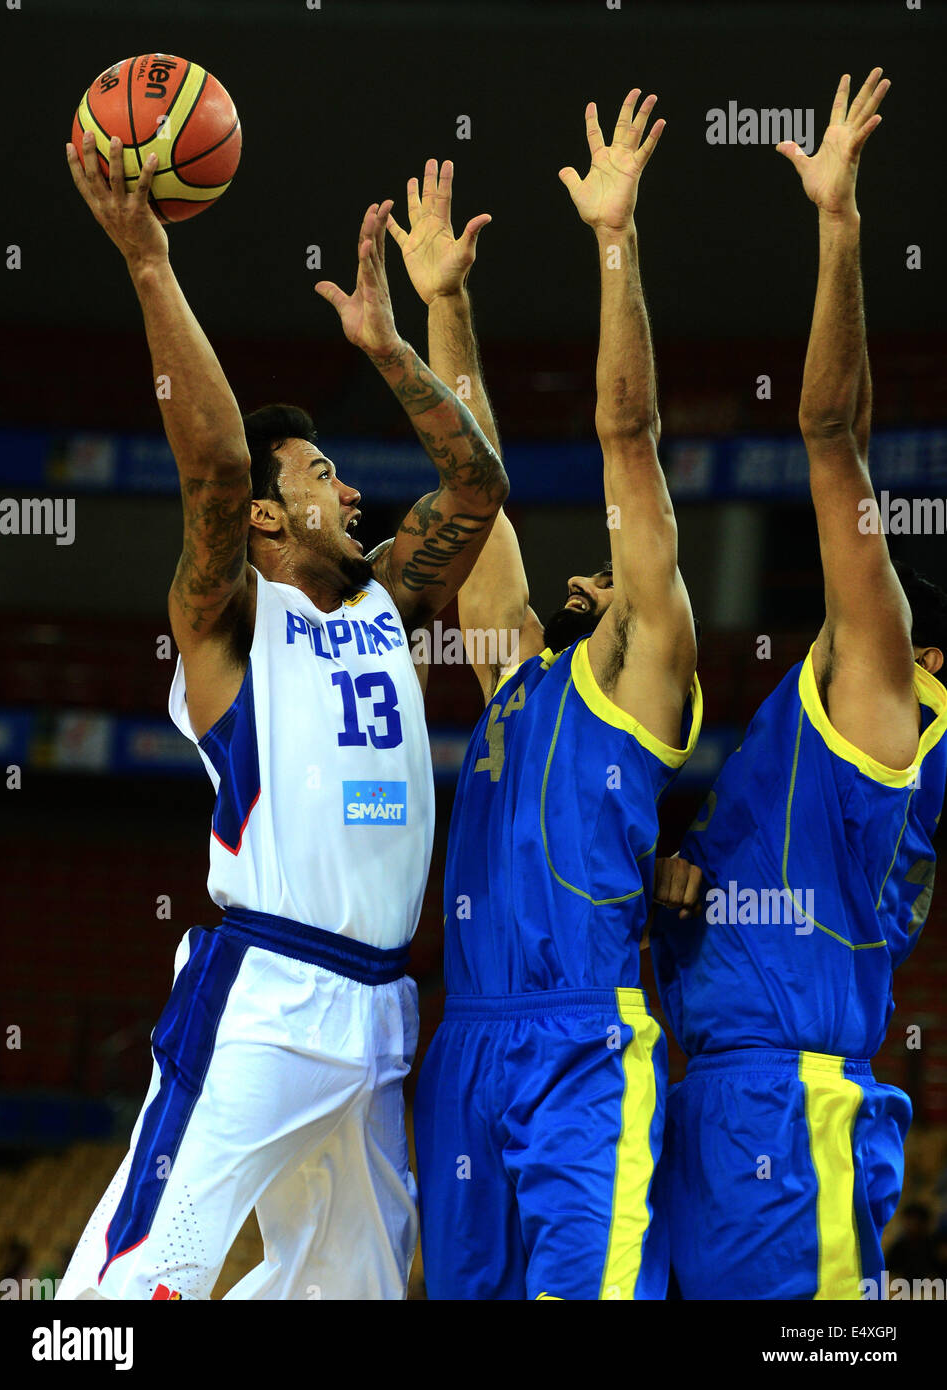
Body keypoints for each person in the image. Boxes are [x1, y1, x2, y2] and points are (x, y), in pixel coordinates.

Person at [55, 131, 508, 1301]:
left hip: (379, 1006)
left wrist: (395, 347)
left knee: (350, 1294)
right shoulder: (229, 614)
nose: (348, 487)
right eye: (316, 475)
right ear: (264, 517)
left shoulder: (387, 600)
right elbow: (208, 467)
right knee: (136, 1283)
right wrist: (152, 265)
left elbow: (477, 485)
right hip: (267, 994)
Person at [651, 68, 947, 1301]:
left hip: (782, 1112)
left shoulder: (881, 690)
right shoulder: (818, 724)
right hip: (719, 1092)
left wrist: (837, 229)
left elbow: (831, 435)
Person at [402, 94, 701, 1300]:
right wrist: (442, 302)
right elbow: (468, 482)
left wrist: (612, 238)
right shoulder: (511, 670)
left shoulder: (639, 661)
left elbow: (624, 434)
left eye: (598, 566)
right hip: (466, 1035)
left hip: (582, 1041)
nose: (580, 569)